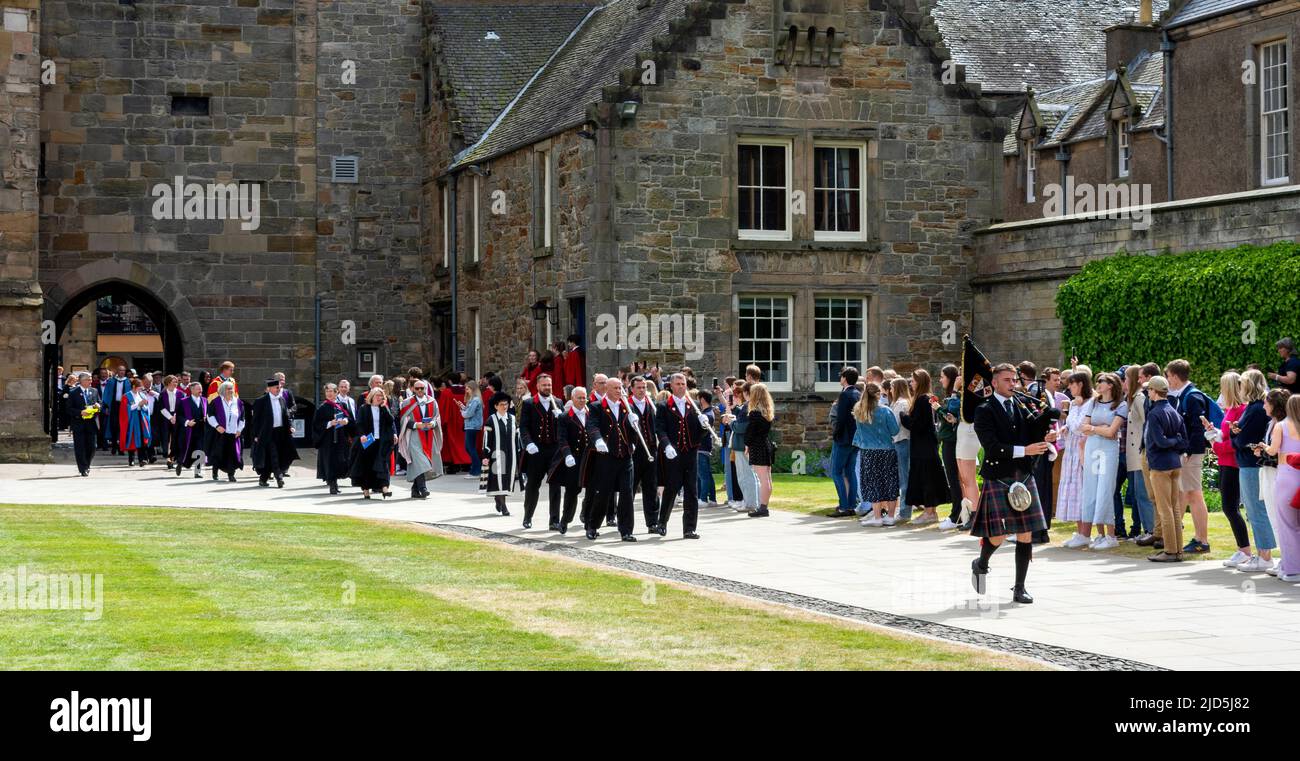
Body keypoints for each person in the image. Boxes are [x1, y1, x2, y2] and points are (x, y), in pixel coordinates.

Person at [968, 363, 1058, 604]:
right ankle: (981, 562)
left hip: (1024, 475)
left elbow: (1031, 435)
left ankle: (1020, 588)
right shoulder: (984, 410)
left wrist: (1045, 437)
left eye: (1014, 380)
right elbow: (992, 448)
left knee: (1025, 533)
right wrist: (1025, 449)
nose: (1012, 384)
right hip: (1000, 476)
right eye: (1007, 380)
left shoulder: (1021, 405)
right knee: (997, 536)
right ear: (995, 383)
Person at [1228, 369, 1275, 572]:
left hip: (1250, 464)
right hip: (1248, 462)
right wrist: (1236, 433)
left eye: (1242, 383)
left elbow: (1242, 440)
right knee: (1255, 510)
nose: (1240, 387)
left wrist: (1235, 433)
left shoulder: (1255, 409)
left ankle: (1265, 555)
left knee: (1256, 510)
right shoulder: (1254, 408)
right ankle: (1263, 554)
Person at [584, 377, 640, 540]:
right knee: (604, 493)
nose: (619, 391)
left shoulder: (627, 406)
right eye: (615, 388)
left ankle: (626, 530)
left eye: (620, 387)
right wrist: (598, 439)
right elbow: (592, 425)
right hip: (607, 456)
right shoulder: (596, 406)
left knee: (627, 494)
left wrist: (634, 427)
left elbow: (633, 431)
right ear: (607, 389)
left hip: (625, 456)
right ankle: (593, 526)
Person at [1079, 372, 1127, 550]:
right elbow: (1083, 428)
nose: (1098, 384)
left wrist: (1093, 428)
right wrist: (1100, 428)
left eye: (1102, 381)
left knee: (1105, 490)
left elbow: (1111, 432)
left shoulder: (1120, 405)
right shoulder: (1093, 402)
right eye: (1097, 381)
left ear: (1111, 385)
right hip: (1092, 448)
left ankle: (1111, 535)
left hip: (1108, 451)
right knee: (1092, 489)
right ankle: (1099, 534)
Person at [655, 373, 707, 538]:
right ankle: (662, 523)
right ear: (671, 386)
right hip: (673, 454)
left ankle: (689, 528)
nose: (681, 387)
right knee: (671, 489)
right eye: (677, 384)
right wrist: (666, 445)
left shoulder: (695, 405)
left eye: (683, 384)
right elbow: (660, 429)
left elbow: (700, 433)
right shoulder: (664, 406)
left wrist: (705, 425)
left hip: (690, 454)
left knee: (692, 491)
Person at [1143, 376, 1188, 562]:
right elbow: (1184, 441)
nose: (1147, 393)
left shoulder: (1154, 413)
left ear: (1154, 391)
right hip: (1174, 464)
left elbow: (1160, 442)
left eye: (1148, 390)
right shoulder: (1173, 411)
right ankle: (1177, 550)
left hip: (1160, 465)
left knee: (1165, 510)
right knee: (1174, 509)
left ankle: (1170, 551)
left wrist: (1172, 441)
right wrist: (1176, 441)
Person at [899, 368, 948, 524]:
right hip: (926, 445)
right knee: (928, 478)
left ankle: (929, 512)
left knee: (926, 479)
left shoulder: (922, 400)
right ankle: (931, 512)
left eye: (913, 381)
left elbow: (918, 425)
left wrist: (904, 417)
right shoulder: (926, 398)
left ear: (919, 382)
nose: (911, 384)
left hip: (923, 447)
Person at [519, 373, 564, 529]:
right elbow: (523, 427)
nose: (547, 388)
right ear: (538, 386)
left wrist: (562, 417)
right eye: (544, 385)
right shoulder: (529, 403)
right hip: (536, 450)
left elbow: (564, 428)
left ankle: (554, 520)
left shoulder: (557, 402)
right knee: (532, 485)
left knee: (556, 486)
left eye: (549, 385)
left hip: (554, 450)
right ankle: (528, 517)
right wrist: (528, 443)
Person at [854, 381, 900, 527]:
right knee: (890, 482)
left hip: (868, 452)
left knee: (873, 483)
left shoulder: (859, 410)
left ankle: (878, 517)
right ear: (878, 394)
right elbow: (895, 431)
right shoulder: (886, 411)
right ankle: (891, 516)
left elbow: (859, 432)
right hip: (887, 450)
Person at [1265, 394, 1300, 582]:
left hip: (1287, 474)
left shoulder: (1281, 426)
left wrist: (1264, 446)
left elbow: (1273, 450)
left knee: (1287, 524)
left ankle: (1292, 568)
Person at [551, 385, 592, 534]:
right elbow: (562, 439)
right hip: (574, 459)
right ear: (572, 399)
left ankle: (589, 522)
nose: (582, 400)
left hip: (589, 459)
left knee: (592, 492)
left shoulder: (591, 414)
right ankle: (565, 520)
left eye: (584, 398)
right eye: (579, 398)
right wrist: (567, 454)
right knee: (572, 492)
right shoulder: (564, 417)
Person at [1058, 371, 1091, 547]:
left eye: (1072, 384)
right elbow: (1070, 425)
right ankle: (1080, 531)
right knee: (1074, 490)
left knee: (1082, 489)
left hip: (1082, 451)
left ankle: (1086, 532)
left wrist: (1077, 408)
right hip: (1071, 452)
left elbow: (1081, 427)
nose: (1069, 387)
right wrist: (1064, 429)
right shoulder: (1073, 403)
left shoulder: (1089, 403)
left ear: (1081, 384)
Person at [397, 379, 444, 499]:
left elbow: (437, 417)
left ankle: (415, 489)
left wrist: (432, 424)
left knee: (425, 462)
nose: (419, 390)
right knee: (419, 461)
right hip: (414, 435)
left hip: (429, 434)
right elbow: (403, 419)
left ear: (425, 389)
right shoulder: (407, 402)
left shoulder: (432, 401)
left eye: (422, 388)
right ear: (412, 389)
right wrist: (415, 424)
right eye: (417, 388)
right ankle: (423, 488)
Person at [251, 378, 297, 488]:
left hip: (280, 432)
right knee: (274, 455)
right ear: (269, 388)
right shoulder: (260, 401)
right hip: (267, 433)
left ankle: (263, 478)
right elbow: (255, 421)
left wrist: (290, 427)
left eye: (279, 387)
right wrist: (255, 435)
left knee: (275, 456)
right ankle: (279, 478)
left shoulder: (282, 400)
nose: (278, 389)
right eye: (276, 387)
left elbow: (285, 416)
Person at [350, 388, 395, 500]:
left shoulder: (383, 408)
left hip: (381, 441)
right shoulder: (364, 408)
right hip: (369, 441)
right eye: (377, 395)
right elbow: (359, 423)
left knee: (383, 464)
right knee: (367, 465)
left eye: (381, 395)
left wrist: (385, 408)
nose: (380, 397)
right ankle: (366, 490)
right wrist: (362, 435)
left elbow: (390, 422)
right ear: (372, 396)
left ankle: (385, 488)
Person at [627, 376, 660, 529]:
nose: (642, 390)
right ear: (632, 389)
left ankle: (653, 522)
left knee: (651, 487)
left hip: (651, 449)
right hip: (634, 451)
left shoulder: (652, 404)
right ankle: (625, 522)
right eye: (639, 388)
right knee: (630, 488)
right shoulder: (626, 405)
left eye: (644, 387)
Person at [482, 390, 521, 516]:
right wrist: (485, 455)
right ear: (495, 406)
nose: (504, 407)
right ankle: (503, 506)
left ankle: (499, 499)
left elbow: (517, 438)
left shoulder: (512, 419)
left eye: (506, 404)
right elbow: (486, 439)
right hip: (496, 454)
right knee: (498, 479)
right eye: (501, 404)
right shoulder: (491, 420)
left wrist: (520, 454)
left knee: (507, 479)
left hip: (511, 454)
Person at [829, 367, 862, 518]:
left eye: (841, 376)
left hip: (843, 439)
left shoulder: (845, 395)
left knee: (836, 472)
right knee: (850, 473)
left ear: (845, 378)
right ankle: (851, 506)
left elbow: (841, 419)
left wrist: (835, 434)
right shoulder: (857, 394)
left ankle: (843, 506)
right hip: (855, 439)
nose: (840, 378)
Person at [313, 383, 355, 494]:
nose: (329, 393)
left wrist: (346, 421)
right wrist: (329, 423)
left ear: (336, 392)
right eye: (327, 391)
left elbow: (350, 419)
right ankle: (332, 484)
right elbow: (316, 425)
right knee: (330, 462)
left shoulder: (342, 405)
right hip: (328, 440)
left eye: (331, 391)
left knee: (341, 461)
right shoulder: (322, 407)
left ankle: (335, 483)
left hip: (341, 438)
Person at [936, 365, 964, 529]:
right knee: (955, 479)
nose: (940, 380)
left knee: (955, 479)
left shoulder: (957, 394)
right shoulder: (952, 395)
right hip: (951, 440)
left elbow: (951, 414)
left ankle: (956, 515)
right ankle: (958, 513)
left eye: (942, 376)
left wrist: (954, 390)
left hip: (954, 440)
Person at [727, 382, 760, 514]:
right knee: (749, 475)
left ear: (747, 393)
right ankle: (750, 502)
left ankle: (750, 503)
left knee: (745, 475)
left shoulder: (748, 406)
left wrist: (731, 422)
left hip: (742, 445)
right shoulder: (751, 406)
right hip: (744, 444)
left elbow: (742, 427)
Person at [744, 382, 776, 518]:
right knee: (767, 478)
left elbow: (750, 433)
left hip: (758, 446)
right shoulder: (767, 411)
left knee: (763, 479)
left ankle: (763, 508)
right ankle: (764, 506)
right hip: (765, 444)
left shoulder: (755, 413)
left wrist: (747, 445)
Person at [205, 380, 245, 482]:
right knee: (218, 453)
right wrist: (217, 426)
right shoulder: (216, 401)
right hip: (220, 432)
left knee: (232, 454)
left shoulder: (238, 402)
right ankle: (215, 472)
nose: (231, 391)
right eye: (228, 389)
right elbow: (210, 415)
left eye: (232, 389)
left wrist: (239, 429)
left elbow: (242, 418)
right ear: (223, 390)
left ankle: (231, 474)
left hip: (234, 433)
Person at [66, 372, 100, 477]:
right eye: (88, 379)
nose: (91, 381)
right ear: (81, 381)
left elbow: (99, 402)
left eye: (90, 379)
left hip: (91, 423)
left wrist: (98, 405)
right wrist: (80, 412)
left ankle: (87, 464)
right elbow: (68, 409)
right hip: (78, 423)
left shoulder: (94, 391)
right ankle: (83, 468)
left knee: (92, 446)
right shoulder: (73, 392)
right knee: (80, 447)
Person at [889, 377, 912, 522]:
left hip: (903, 441)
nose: (890, 390)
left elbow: (895, 425)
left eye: (892, 387)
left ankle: (904, 512)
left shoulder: (902, 403)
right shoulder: (897, 403)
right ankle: (902, 510)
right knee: (902, 478)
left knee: (905, 479)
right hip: (899, 442)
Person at [174, 382, 208, 478]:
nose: (200, 390)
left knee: (200, 450)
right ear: (192, 390)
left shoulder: (204, 400)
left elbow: (207, 413)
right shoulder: (183, 401)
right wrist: (187, 422)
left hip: (201, 430)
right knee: (186, 449)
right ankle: (180, 464)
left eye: (201, 388)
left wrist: (206, 418)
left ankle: (197, 472)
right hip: (187, 431)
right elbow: (179, 416)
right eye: (198, 389)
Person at [118, 378, 152, 467]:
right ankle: (131, 459)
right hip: (132, 420)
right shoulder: (126, 396)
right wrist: (138, 404)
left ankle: (142, 459)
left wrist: (144, 405)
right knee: (132, 439)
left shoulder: (142, 395)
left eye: (141, 388)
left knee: (142, 439)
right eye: (139, 388)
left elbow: (146, 408)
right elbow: (125, 409)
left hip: (141, 419)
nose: (141, 390)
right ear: (134, 387)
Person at [694, 390, 719, 507]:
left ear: (702, 399)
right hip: (703, 446)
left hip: (702, 447)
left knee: (702, 475)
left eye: (698, 398)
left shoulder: (708, 413)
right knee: (706, 474)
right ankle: (712, 498)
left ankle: (703, 498)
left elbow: (704, 425)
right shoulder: (706, 412)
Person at [152, 374, 182, 467]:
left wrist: (175, 416)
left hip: (177, 418)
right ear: (168, 383)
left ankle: (173, 458)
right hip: (165, 418)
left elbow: (182, 407)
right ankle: (169, 459)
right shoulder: (163, 394)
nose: (176, 383)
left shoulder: (181, 394)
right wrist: (170, 417)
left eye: (176, 382)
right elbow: (162, 408)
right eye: (174, 382)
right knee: (167, 439)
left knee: (175, 438)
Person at [458, 380, 484, 479]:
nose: (466, 390)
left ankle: (476, 471)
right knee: (469, 448)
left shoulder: (475, 400)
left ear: (472, 389)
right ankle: (475, 469)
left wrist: (462, 412)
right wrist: (463, 407)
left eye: (467, 388)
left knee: (470, 448)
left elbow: (468, 414)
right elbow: (468, 411)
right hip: (471, 426)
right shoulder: (474, 399)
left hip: (472, 426)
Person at [102, 365, 128, 455]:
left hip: (124, 407)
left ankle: (121, 448)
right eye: (120, 370)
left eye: (123, 371)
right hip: (113, 406)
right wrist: (105, 406)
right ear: (117, 371)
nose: (122, 372)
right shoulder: (111, 381)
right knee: (114, 426)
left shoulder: (128, 382)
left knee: (122, 427)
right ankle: (114, 446)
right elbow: (106, 393)